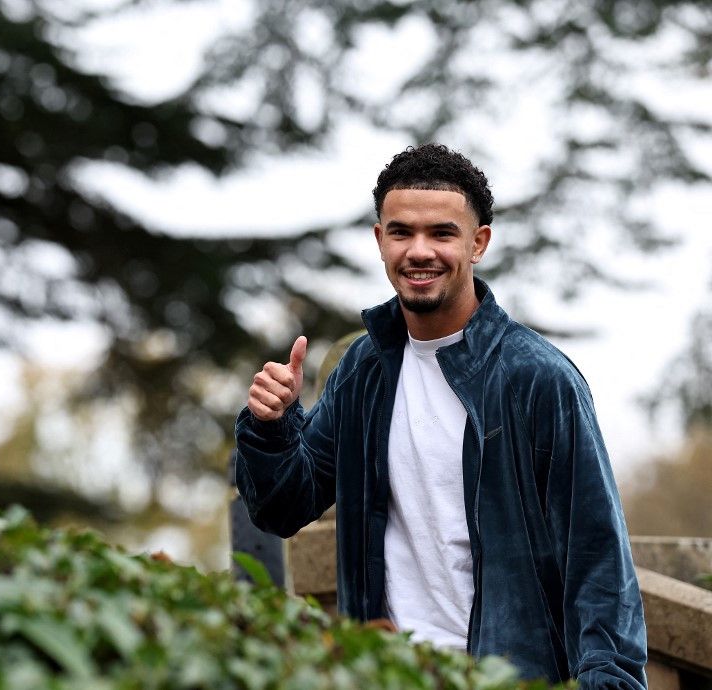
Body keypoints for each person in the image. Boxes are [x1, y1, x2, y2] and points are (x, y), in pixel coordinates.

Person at [234, 144, 647, 688]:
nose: (419, 251)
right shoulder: (363, 370)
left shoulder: (538, 379)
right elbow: (282, 508)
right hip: (387, 674)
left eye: (442, 234)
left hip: (506, 679)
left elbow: (598, 566)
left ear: (478, 243)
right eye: (401, 232)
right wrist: (272, 426)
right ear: (379, 240)